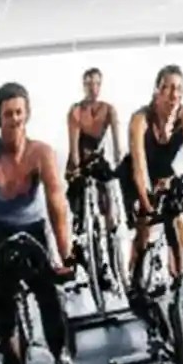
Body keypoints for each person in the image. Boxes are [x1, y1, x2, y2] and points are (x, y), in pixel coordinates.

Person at [0, 83, 74, 364]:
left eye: (19, 112)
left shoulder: (42, 152)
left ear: (27, 115)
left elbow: (56, 204)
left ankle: (60, 355)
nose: (14, 119)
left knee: (49, 294)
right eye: (8, 113)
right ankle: (11, 357)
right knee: (2, 297)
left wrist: (66, 255)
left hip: (34, 230)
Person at [117, 65, 183, 291]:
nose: (175, 94)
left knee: (180, 221)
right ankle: (134, 280)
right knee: (145, 228)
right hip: (134, 174)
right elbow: (139, 167)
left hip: (164, 173)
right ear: (157, 90)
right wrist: (147, 203)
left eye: (179, 89)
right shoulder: (141, 119)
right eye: (168, 88)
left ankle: (178, 277)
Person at [65, 68, 122, 240]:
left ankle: (112, 225)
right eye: (89, 84)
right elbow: (74, 147)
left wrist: (118, 164)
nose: (93, 88)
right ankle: (79, 223)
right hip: (79, 157)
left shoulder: (108, 109)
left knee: (108, 183)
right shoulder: (75, 111)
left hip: (97, 158)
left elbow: (117, 144)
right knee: (76, 190)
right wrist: (76, 167)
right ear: (84, 86)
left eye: (97, 83)